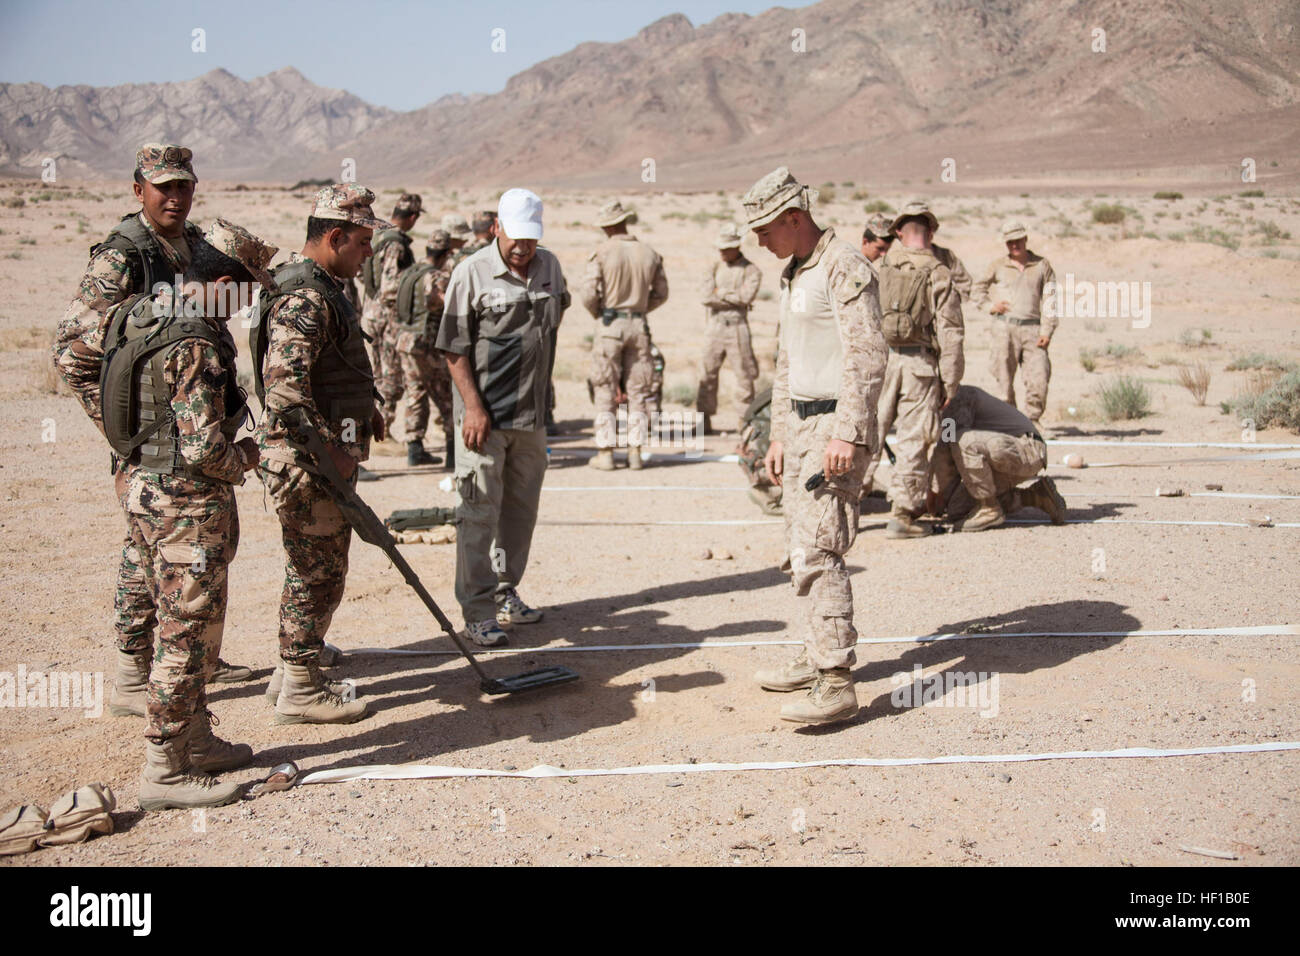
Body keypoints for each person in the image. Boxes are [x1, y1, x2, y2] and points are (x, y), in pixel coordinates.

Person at [51, 144, 251, 719]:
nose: (174, 196)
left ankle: (180, 658)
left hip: (188, 430)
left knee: (179, 554)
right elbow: (73, 353)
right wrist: (124, 439)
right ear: (138, 189)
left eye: (183, 186)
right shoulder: (125, 256)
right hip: (150, 445)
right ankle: (134, 673)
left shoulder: (195, 248)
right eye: (162, 186)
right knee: (147, 555)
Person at [103, 220, 276, 809]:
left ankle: (196, 740)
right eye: (246, 291)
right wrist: (249, 455)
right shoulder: (196, 341)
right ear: (224, 282)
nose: (249, 304)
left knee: (188, 627)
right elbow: (206, 449)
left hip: (146, 489)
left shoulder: (149, 311)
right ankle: (166, 767)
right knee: (185, 632)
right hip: (186, 508)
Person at [743, 167, 887, 726]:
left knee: (822, 545)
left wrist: (847, 433)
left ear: (794, 218)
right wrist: (780, 431)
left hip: (833, 427)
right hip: (802, 427)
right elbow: (787, 361)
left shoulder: (844, 265)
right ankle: (816, 653)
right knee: (800, 546)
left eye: (765, 229)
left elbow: (867, 356)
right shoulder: (795, 272)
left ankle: (836, 680)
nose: (758, 241)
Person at [251, 184, 391, 724]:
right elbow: (285, 389)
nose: (369, 253)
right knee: (320, 573)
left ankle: (291, 672)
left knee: (308, 566)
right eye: (361, 241)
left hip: (319, 455)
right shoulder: (307, 297)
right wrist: (331, 452)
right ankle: (301, 691)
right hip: (310, 462)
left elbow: (333, 369)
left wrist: (367, 407)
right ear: (333, 237)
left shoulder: (324, 286)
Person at [436, 188, 570, 647]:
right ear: (497, 229)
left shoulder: (550, 267)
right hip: (483, 421)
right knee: (477, 513)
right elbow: (453, 348)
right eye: (515, 238)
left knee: (519, 512)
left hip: (530, 419)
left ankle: (504, 589)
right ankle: (477, 611)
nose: (523, 248)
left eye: (531, 240)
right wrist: (473, 408)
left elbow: (553, 325)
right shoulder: (470, 273)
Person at [870, 200, 965, 539]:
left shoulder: (882, 265)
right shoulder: (939, 271)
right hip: (919, 367)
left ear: (897, 231)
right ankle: (902, 514)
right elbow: (951, 331)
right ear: (932, 231)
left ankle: (847, 502)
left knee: (868, 432)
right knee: (913, 438)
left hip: (881, 361)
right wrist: (951, 382)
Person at [579, 199, 669, 470]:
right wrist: (640, 309)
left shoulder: (602, 252)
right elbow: (662, 293)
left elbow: (587, 294)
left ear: (606, 227)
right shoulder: (650, 253)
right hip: (638, 326)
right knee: (638, 391)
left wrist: (603, 314)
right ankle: (635, 452)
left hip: (610, 327)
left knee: (605, 388)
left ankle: (606, 453)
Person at [932, 385, 1067, 530]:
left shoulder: (957, 399)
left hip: (1027, 448)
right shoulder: (947, 407)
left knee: (963, 441)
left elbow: (947, 452)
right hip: (1006, 454)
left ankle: (989, 508)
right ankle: (1036, 496)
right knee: (957, 509)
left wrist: (935, 493)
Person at [972, 220, 1058, 426]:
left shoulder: (1041, 265)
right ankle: (1010, 421)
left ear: (1025, 239)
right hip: (1004, 329)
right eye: (1010, 242)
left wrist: (1047, 330)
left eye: (1018, 240)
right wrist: (990, 306)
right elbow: (977, 290)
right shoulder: (997, 265)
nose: (1014, 246)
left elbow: (1051, 300)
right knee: (1003, 379)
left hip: (1033, 329)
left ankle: (1032, 421)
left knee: (1039, 378)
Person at [359, 193, 421, 445]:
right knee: (391, 377)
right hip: (388, 319)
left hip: (372, 313)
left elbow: (364, 275)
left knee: (376, 376)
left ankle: (373, 428)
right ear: (414, 217)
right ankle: (380, 434)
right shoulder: (396, 244)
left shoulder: (380, 236)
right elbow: (389, 287)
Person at [393, 230, 454, 467]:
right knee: (446, 396)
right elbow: (445, 302)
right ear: (446, 253)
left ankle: (414, 448)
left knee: (415, 392)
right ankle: (453, 453)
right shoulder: (436, 277)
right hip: (425, 344)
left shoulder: (410, 273)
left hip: (405, 341)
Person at [696, 222, 761, 435]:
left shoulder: (751, 270)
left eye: (726, 248)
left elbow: (746, 297)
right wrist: (731, 296)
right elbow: (706, 296)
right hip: (714, 326)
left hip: (737, 327)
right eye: (720, 248)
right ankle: (703, 420)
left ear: (737, 246)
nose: (722, 252)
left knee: (744, 374)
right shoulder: (712, 267)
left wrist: (720, 292)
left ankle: (744, 421)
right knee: (707, 373)